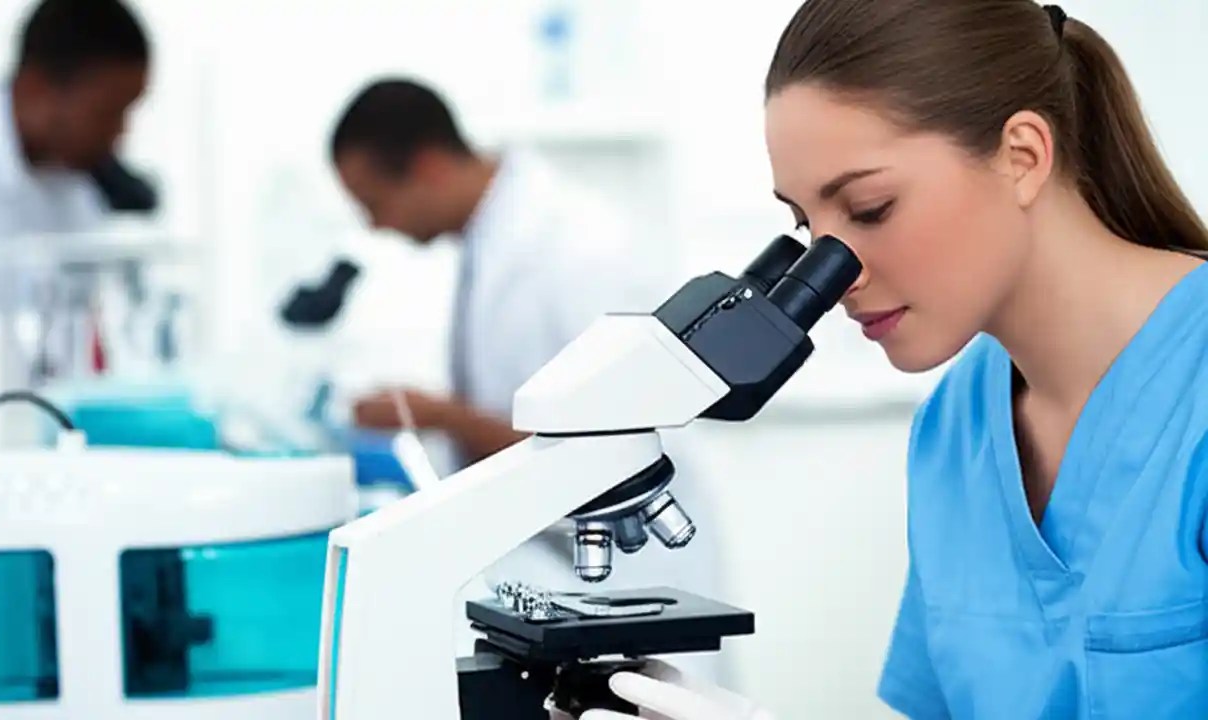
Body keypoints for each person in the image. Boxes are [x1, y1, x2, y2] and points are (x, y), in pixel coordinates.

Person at [583, 1, 1208, 719]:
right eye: (805, 228)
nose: (836, 275)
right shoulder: (958, 422)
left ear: (1023, 157)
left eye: (870, 208)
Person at [329, 78, 724, 672]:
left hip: (633, 567)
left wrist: (442, 415)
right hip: (556, 564)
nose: (376, 226)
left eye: (374, 204)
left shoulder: (578, 246)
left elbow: (614, 450)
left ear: (428, 166)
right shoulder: (494, 239)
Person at [0, 0, 151, 451]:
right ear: (36, 89)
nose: (119, 134)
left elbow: (79, 353)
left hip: (28, 456)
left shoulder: (76, 189)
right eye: (107, 112)